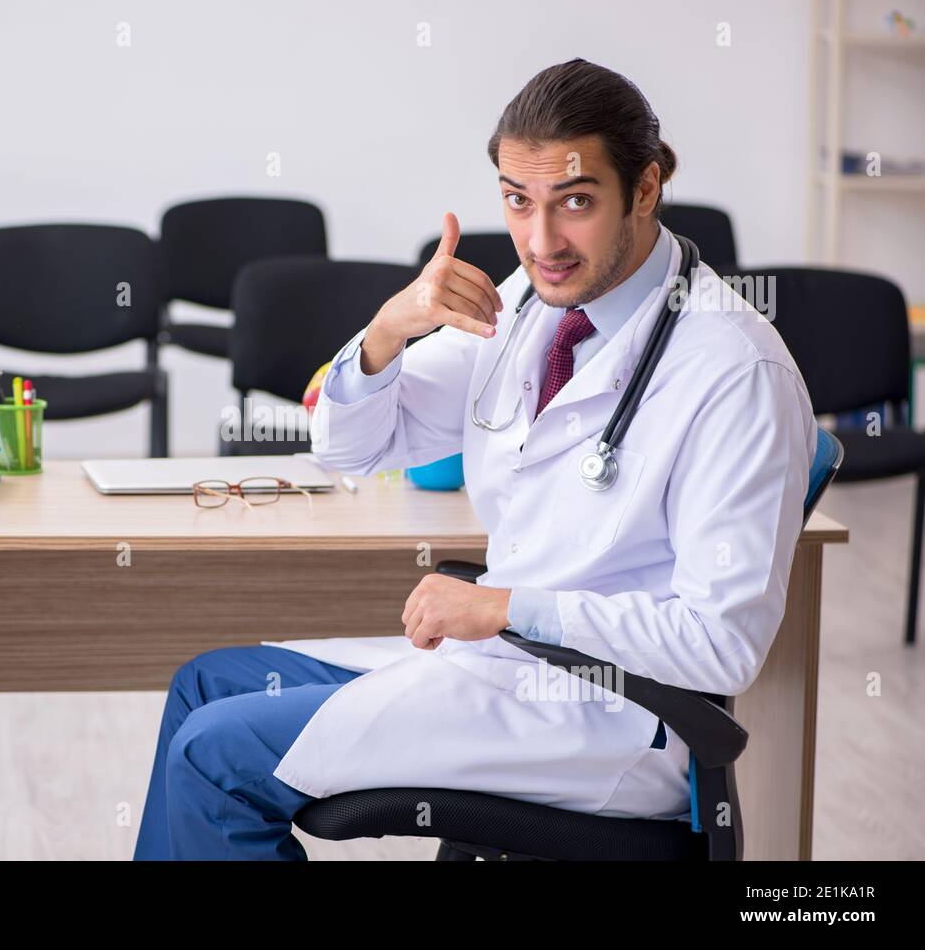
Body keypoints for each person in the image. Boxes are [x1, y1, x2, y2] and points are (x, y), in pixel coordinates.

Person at [133, 57, 815, 861]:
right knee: (203, 686)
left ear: (646, 187)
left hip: (611, 714)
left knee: (218, 758)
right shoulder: (531, 303)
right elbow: (352, 447)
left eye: (575, 203)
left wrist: (504, 606)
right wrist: (392, 327)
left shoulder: (734, 368)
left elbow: (721, 640)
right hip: (503, 667)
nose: (540, 240)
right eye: (518, 201)